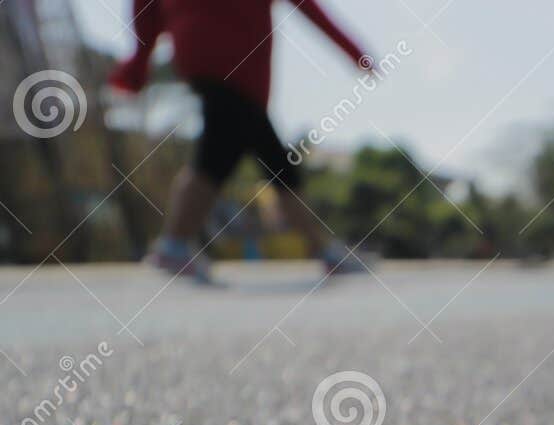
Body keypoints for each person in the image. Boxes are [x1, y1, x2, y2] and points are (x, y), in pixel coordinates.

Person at [109, 0, 374, 282]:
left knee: (270, 162)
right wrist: (356, 53)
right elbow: (309, 8)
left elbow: (146, 8)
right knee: (216, 161)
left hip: (200, 56)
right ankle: (172, 245)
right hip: (237, 65)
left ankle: (324, 251)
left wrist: (140, 59)